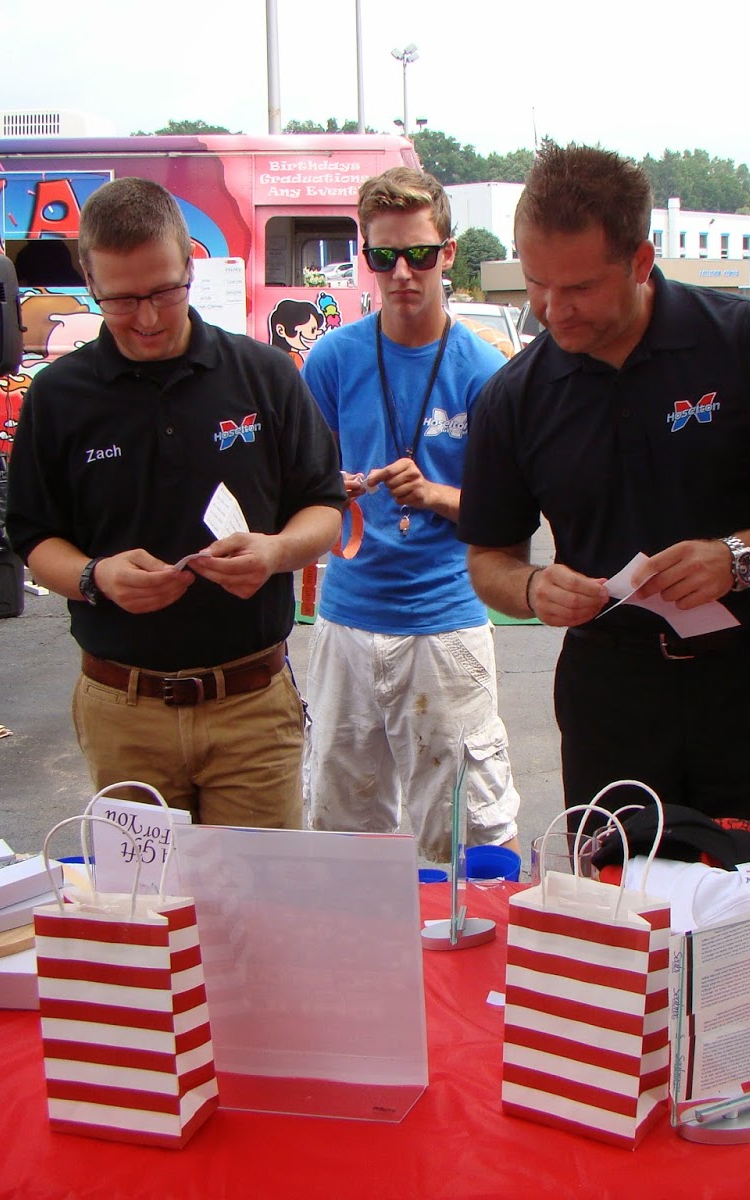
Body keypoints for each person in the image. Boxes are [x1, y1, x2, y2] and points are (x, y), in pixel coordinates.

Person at [459, 144, 750, 823]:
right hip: (609, 690)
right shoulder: (514, 395)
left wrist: (740, 556)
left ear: (641, 262)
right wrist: (534, 588)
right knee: (618, 912)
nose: (552, 310)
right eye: (536, 282)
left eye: (580, 288)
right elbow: (488, 559)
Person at [6, 178, 345, 828]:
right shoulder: (58, 396)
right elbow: (32, 536)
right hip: (122, 709)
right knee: (147, 913)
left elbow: (324, 508)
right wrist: (93, 576)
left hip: (251, 707)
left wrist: (276, 552)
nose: (150, 317)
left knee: (256, 912)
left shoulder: (263, 376)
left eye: (165, 290)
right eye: (122, 300)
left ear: (190, 263)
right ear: (89, 280)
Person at [302, 166, 521, 861]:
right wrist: (331, 487)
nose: (403, 273)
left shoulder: (485, 371)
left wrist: (433, 494)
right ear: (364, 258)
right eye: (384, 256)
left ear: (448, 253)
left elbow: (509, 520)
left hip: (447, 625)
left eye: (420, 254)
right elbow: (303, 486)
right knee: (341, 829)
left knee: (460, 834)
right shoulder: (332, 360)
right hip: (347, 618)